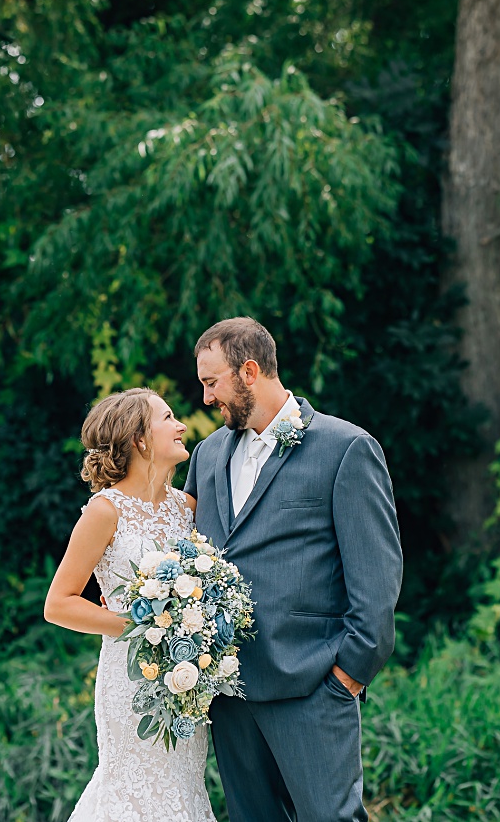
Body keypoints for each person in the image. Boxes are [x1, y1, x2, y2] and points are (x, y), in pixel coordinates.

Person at [185, 317, 403, 822]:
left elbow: (376, 578)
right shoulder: (208, 453)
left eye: (211, 382)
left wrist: (348, 674)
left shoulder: (345, 449)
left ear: (251, 371)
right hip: (230, 692)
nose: (205, 397)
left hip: (311, 687)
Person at [45, 388, 216, 822]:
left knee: (182, 789)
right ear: (140, 438)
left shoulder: (188, 508)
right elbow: (59, 603)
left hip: (184, 680)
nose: (181, 426)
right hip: (130, 679)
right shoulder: (105, 511)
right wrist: (139, 625)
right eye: (168, 417)